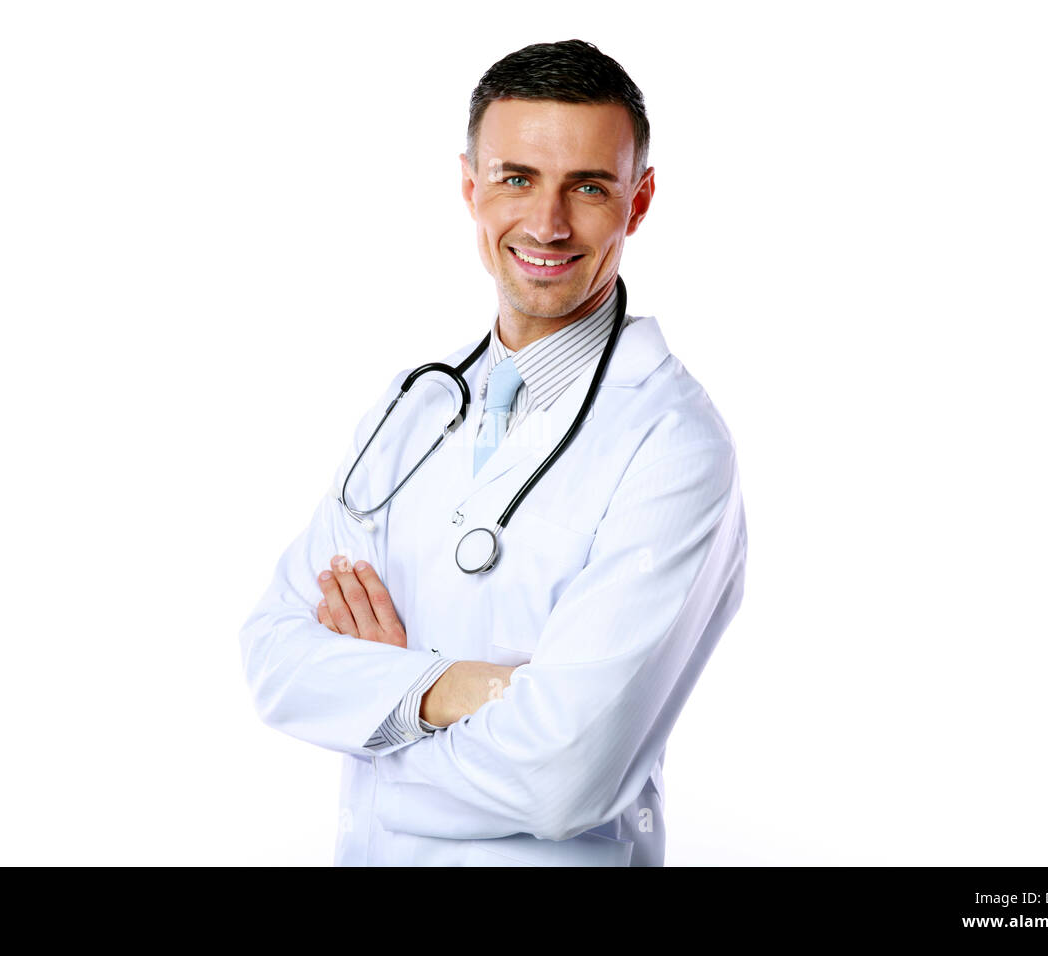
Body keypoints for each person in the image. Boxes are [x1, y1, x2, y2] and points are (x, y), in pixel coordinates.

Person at [238, 39, 748, 866]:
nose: (547, 224)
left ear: (640, 200)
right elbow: (273, 656)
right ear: (470, 185)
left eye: (589, 187)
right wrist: (459, 687)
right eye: (517, 178)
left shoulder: (674, 447)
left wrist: (376, 721)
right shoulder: (414, 407)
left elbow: (562, 778)